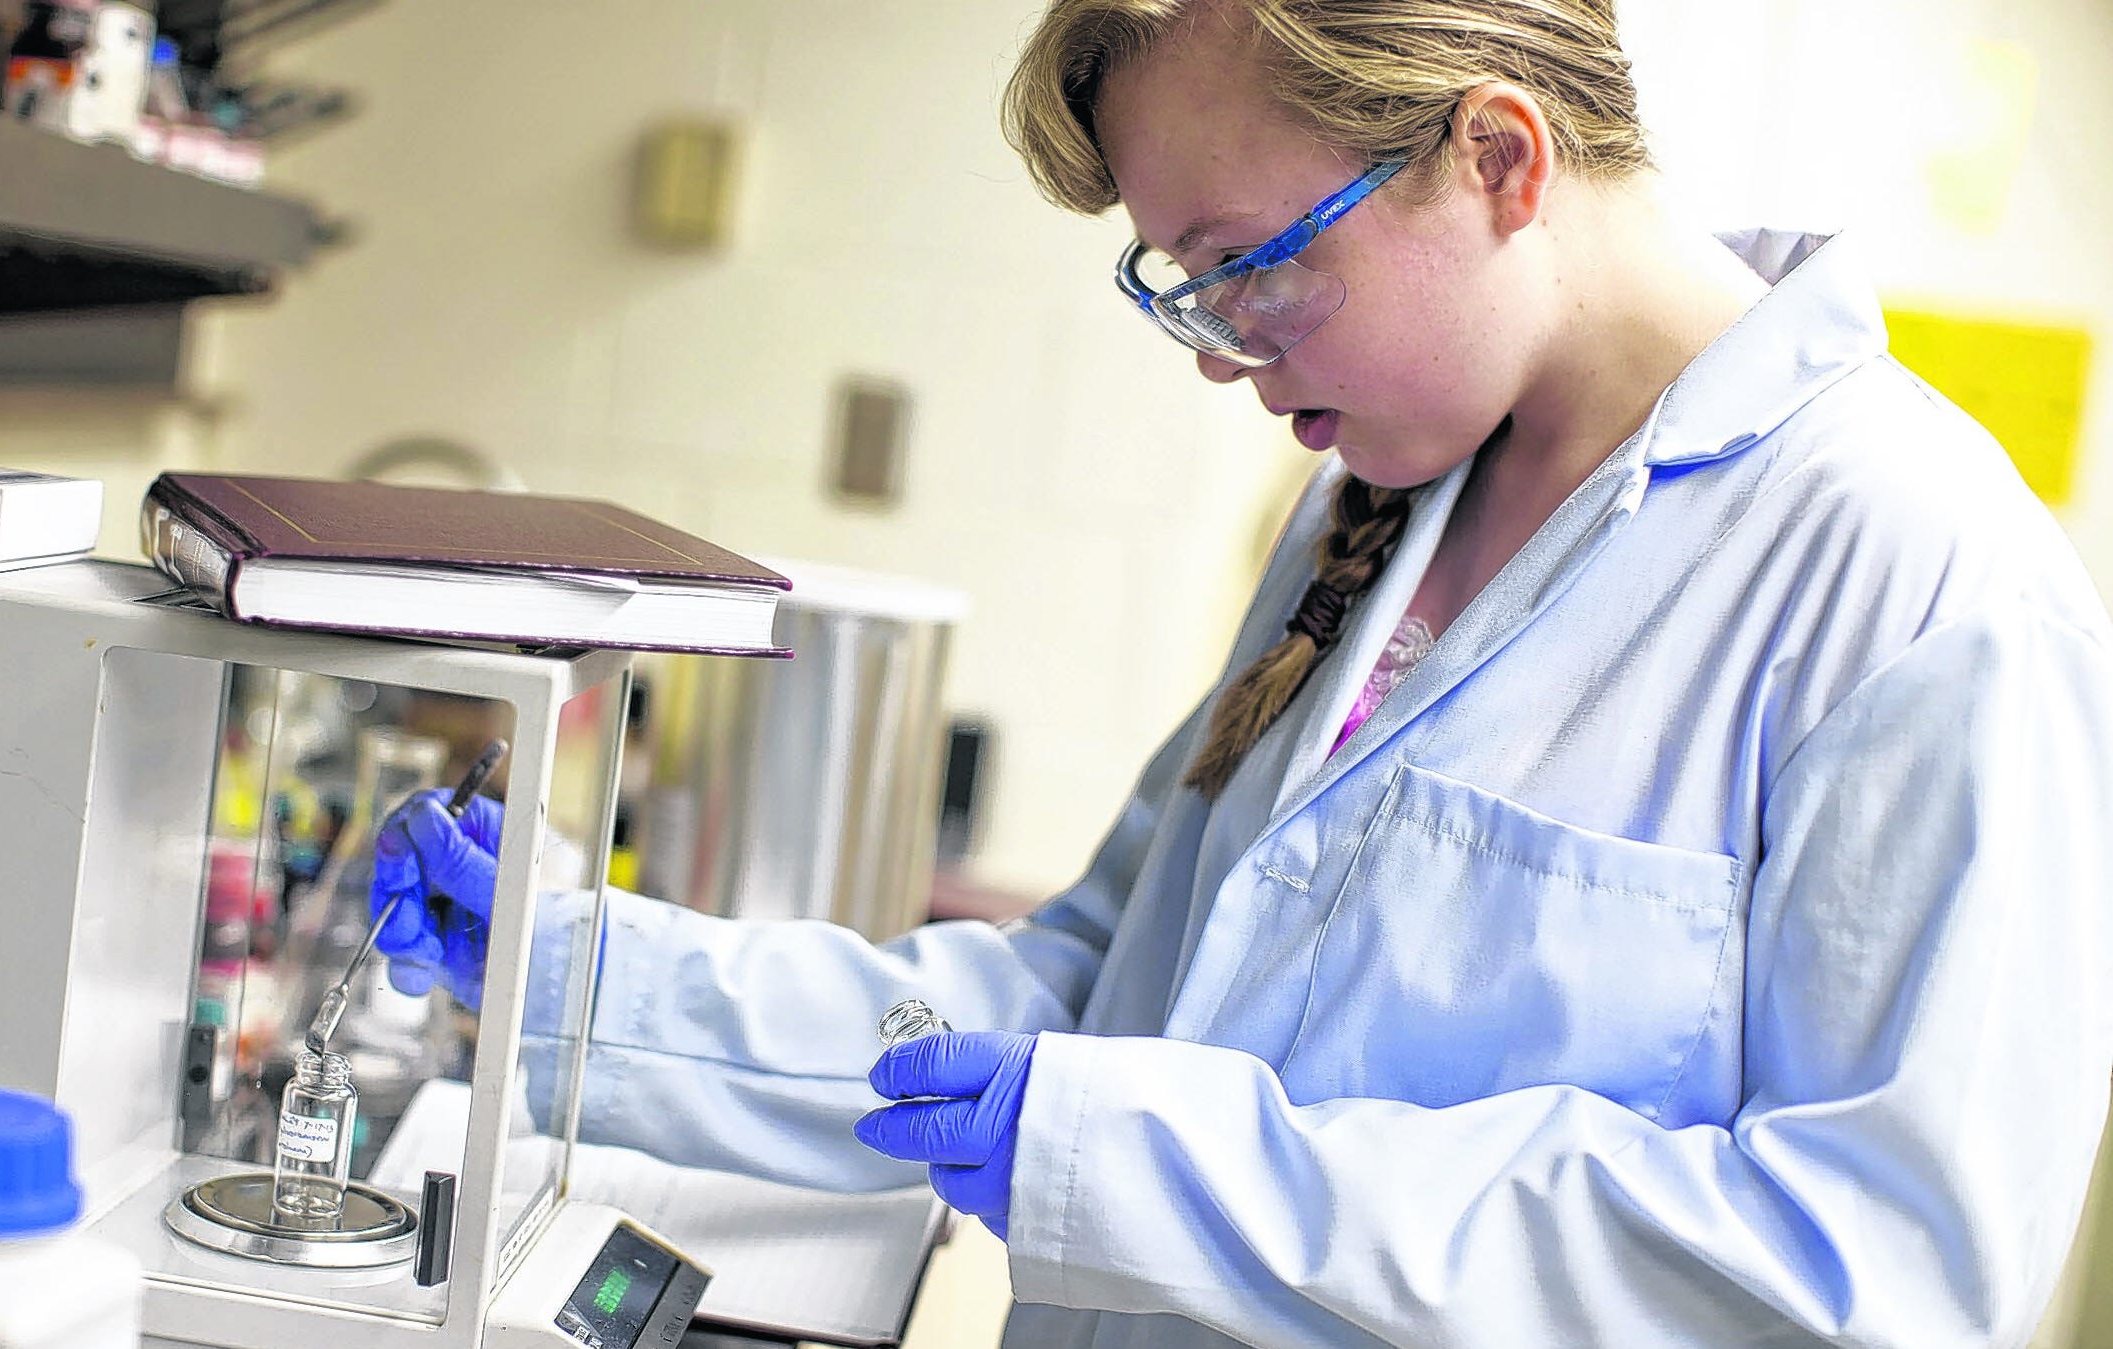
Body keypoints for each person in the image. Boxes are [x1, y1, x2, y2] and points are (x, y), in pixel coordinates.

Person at [371, 1, 2113, 1344]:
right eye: (1182, 287)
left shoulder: (1918, 585)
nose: (1223, 357)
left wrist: (1149, 1164)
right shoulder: (1373, 506)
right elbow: (1082, 1007)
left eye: (1252, 269)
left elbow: (1876, 1277)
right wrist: (589, 976)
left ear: (1502, 160)